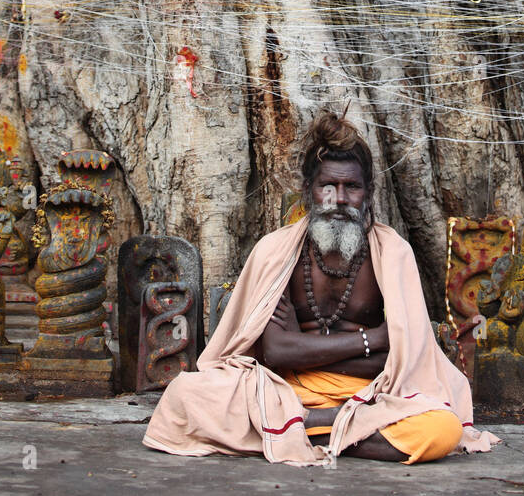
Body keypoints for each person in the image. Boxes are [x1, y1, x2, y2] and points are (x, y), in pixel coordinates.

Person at [143, 111, 500, 465]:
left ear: (369, 193)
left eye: (352, 187)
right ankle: (335, 430)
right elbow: (278, 352)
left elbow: (400, 360)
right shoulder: (277, 252)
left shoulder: (392, 254)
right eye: (327, 186)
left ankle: (297, 429)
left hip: (369, 395)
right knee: (185, 395)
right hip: (284, 389)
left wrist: (308, 347)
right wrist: (371, 340)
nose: (339, 199)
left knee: (441, 428)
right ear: (308, 191)